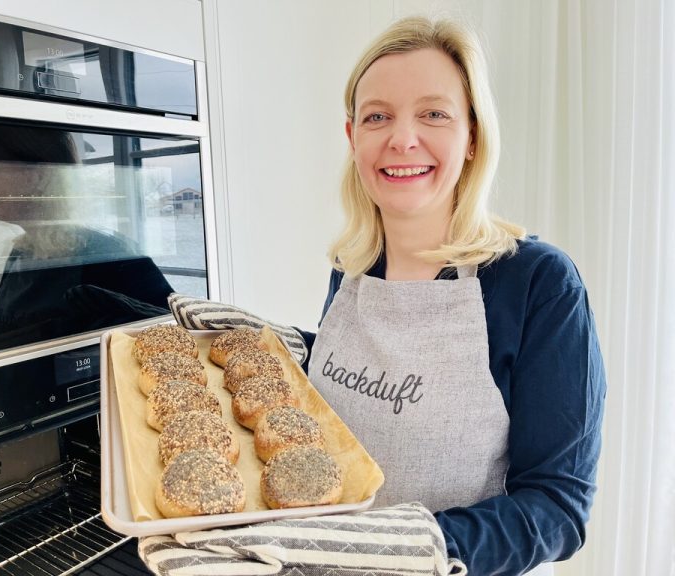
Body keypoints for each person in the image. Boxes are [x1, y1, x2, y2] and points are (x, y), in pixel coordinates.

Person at [140, 15, 605, 576]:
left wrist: (392, 546)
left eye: (433, 113)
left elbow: (557, 509)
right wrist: (280, 348)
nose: (402, 138)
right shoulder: (353, 266)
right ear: (353, 137)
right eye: (377, 116)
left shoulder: (537, 283)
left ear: (473, 134)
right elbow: (369, 382)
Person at [0, 125, 174, 344]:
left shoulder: (109, 253)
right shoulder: (21, 253)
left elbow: (171, 334)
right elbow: (0, 332)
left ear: (37, 177)